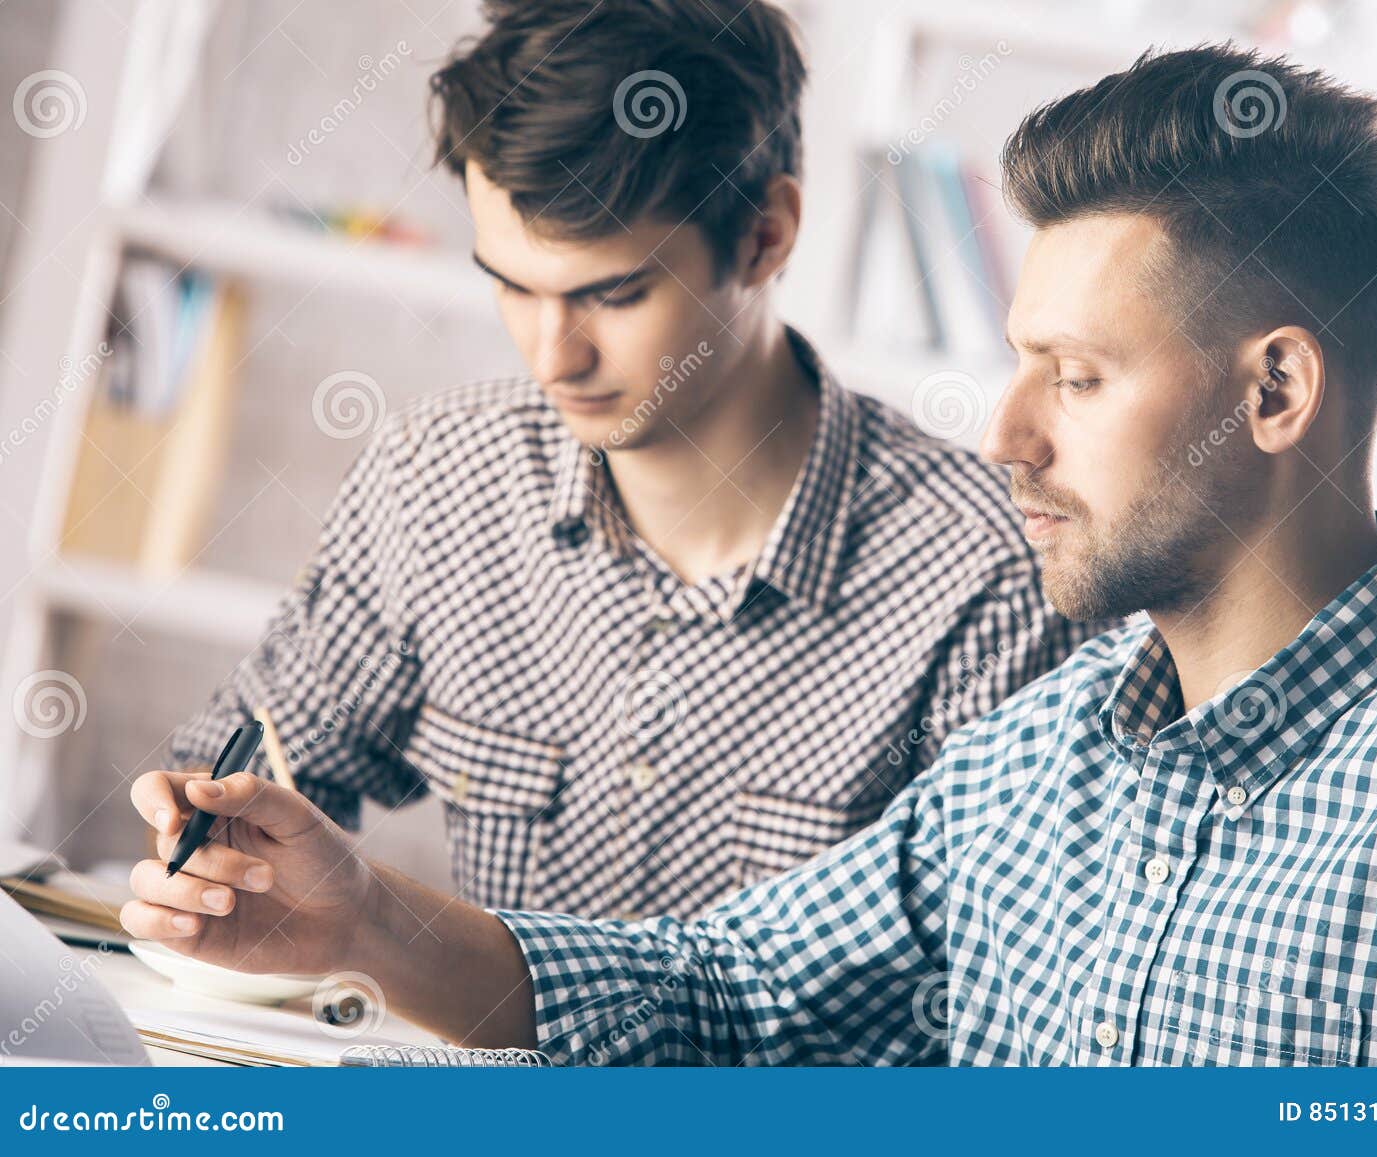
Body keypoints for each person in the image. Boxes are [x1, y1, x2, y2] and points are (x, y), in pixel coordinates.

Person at [125, 45, 1377, 1065]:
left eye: (1076, 378)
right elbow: (729, 1000)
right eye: (1019, 368)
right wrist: (368, 918)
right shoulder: (1048, 754)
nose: (1008, 435)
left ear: (1273, 393)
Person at [159, 0, 1097, 920]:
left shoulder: (995, 573)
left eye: (615, 293)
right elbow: (264, 758)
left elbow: (987, 1001)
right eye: (513, 288)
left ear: (767, 234)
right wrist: (209, 831)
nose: (552, 353)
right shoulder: (436, 481)